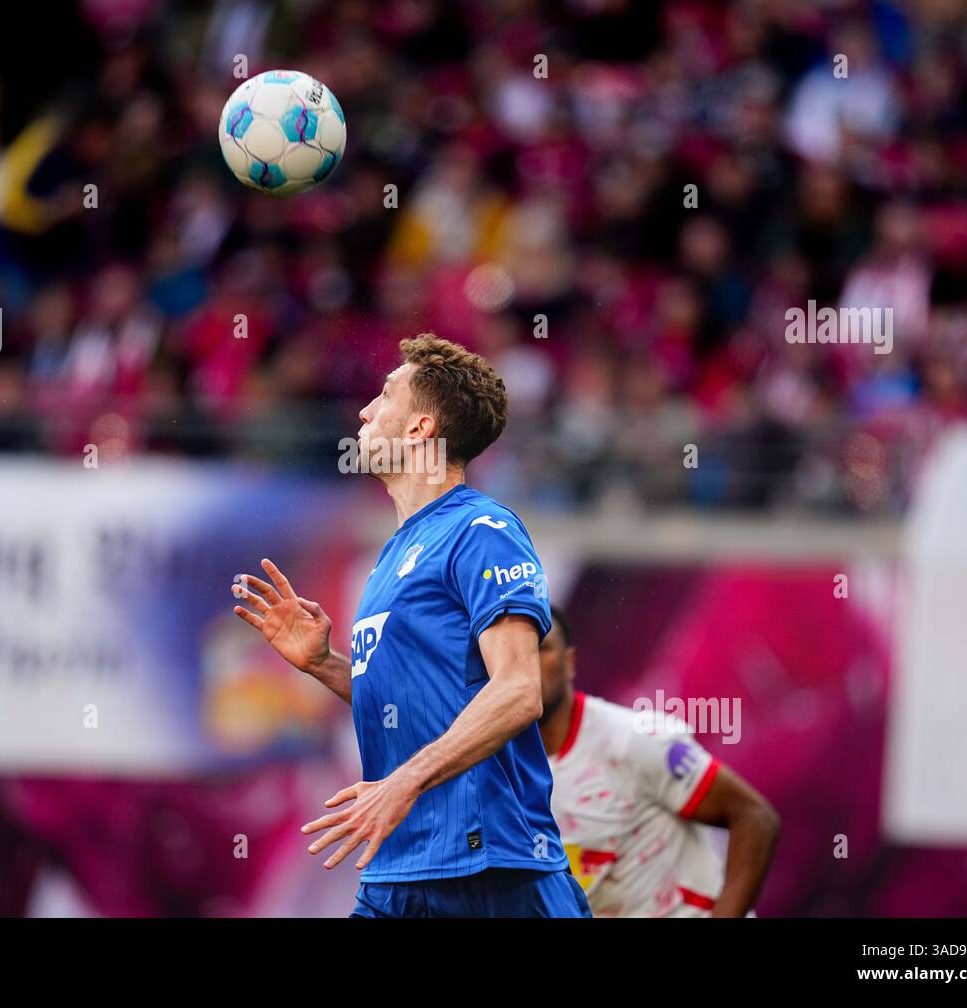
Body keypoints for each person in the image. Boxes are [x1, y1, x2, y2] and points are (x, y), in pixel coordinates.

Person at [230, 334, 589, 917]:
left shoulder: (481, 530)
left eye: (385, 394)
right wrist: (324, 665)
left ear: (421, 429)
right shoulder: (392, 555)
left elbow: (519, 691)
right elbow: (419, 702)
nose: (366, 411)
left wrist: (404, 782)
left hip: (488, 864)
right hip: (400, 862)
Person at [538, 605, 780, 917]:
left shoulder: (632, 739)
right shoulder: (490, 771)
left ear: (570, 663)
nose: (526, 664)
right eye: (514, 652)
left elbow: (754, 817)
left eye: (541, 649)